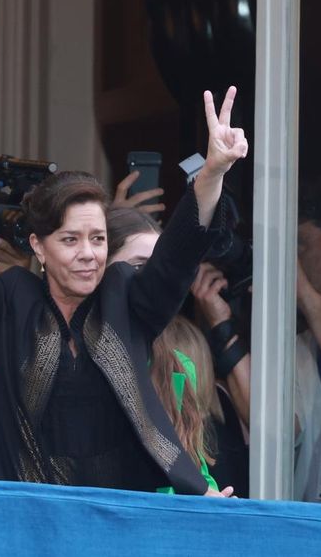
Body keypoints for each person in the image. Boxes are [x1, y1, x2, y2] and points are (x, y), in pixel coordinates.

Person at [0, 87, 249, 495]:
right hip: (24, 517)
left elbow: (177, 256)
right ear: (39, 247)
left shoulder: (127, 300)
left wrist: (213, 173)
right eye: (70, 240)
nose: (88, 254)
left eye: (97, 239)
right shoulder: (10, 303)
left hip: (117, 515)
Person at [190, 183, 321, 503]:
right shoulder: (301, 346)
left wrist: (303, 292)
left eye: (301, 245)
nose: (294, 259)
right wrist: (221, 323)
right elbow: (273, 428)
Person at [105, 206, 223, 494]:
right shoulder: (77, 352)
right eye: (139, 267)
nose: (153, 280)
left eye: (159, 268)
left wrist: (214, 498)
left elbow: (194, 464)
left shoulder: (179, 364)